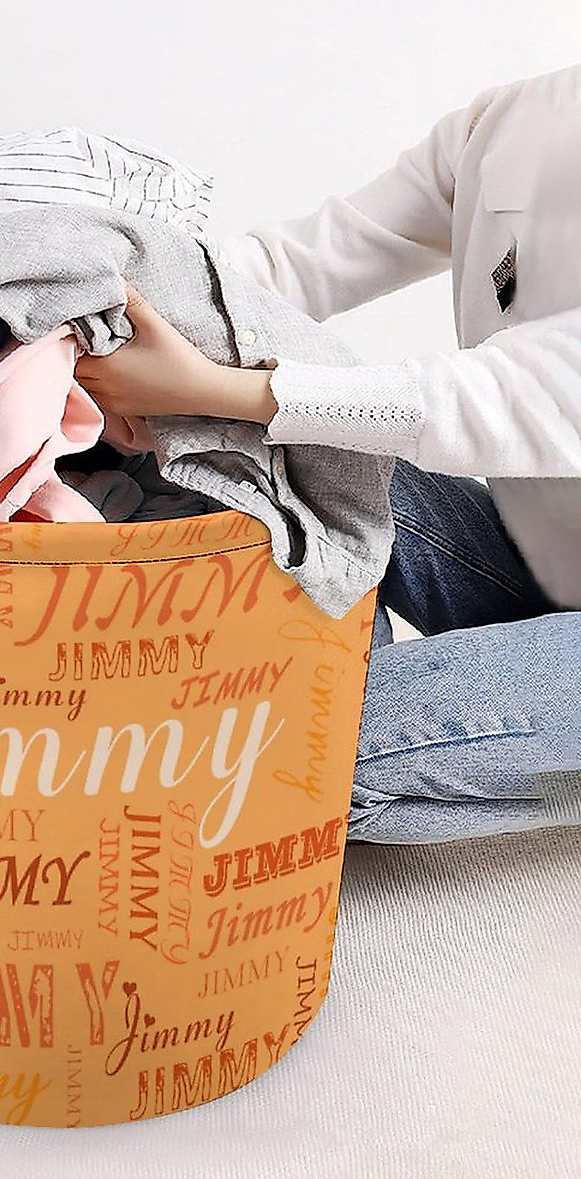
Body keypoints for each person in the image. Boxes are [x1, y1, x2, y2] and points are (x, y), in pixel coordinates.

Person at [76, 64, 581, 844]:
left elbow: (499, 394)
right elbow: (296, 266)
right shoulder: (512, 122)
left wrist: (213, 387)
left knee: (290, 758)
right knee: (276, 456)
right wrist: (103, 309)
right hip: (547, 568)